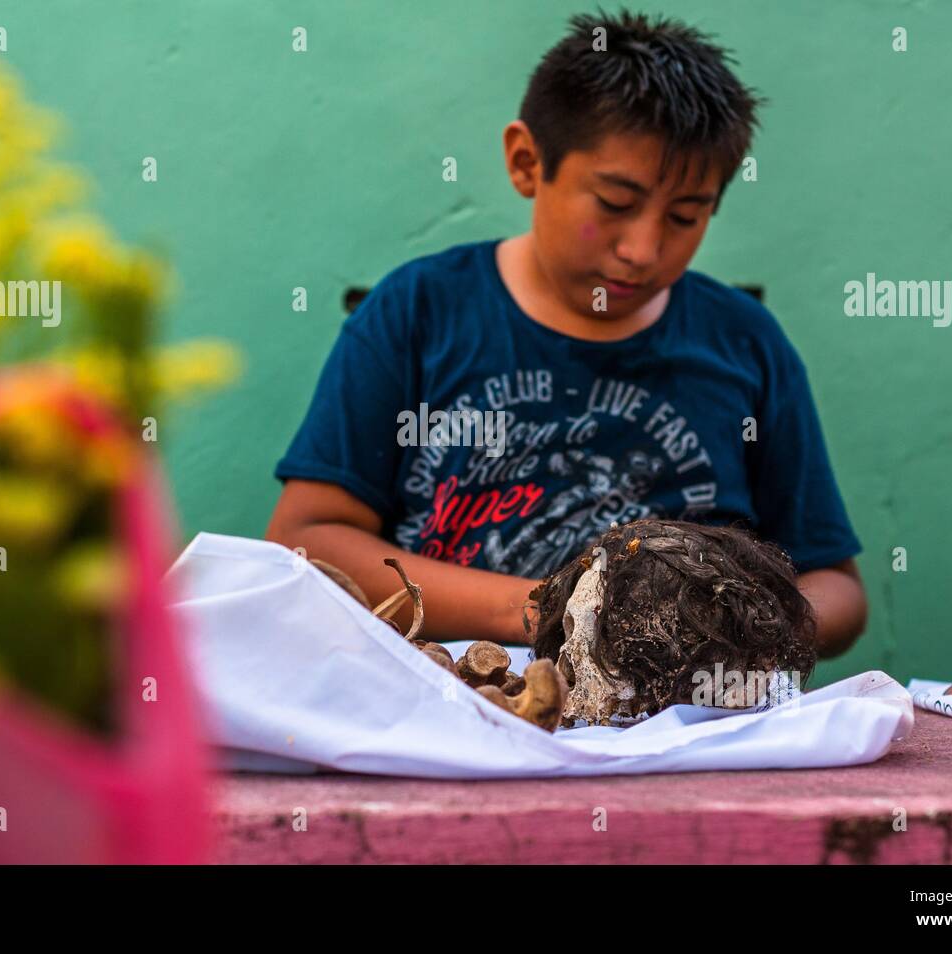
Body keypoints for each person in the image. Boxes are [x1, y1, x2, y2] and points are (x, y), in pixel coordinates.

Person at [266, 9, 867, 656]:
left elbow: (836, 586)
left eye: (686, 216)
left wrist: (731, 633)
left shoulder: (744, 343)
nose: (643, 249)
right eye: (614, 203)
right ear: (527, 162)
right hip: (457, 705)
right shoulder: (417, 312)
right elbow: (309, 537)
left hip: (684, 729)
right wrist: (548, 610)